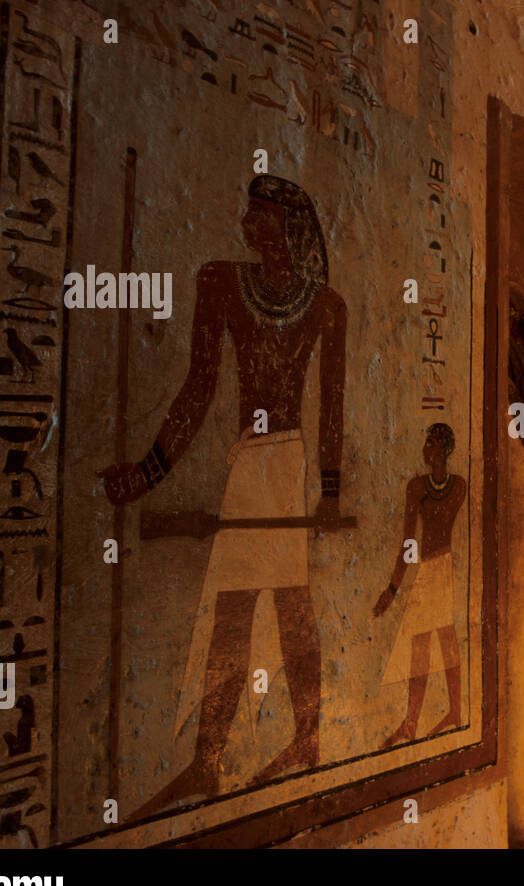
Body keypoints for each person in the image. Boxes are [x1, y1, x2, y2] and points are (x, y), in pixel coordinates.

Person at [98, 175, 348, 818]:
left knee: (289, 608)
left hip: (287, 462)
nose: (245, 222)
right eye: (246, 210)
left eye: (258, 213)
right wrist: (149, 472)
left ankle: (305, 740)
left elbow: (333, 411)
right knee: (235, 614)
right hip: (248, 464)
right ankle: (212, 762)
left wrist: (326, 492)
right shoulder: (220, 281)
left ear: (289, 226)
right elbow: (200, 386)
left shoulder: (327, 306)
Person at [371, 423, 467, 746]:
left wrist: (392, 591)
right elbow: (408, 543)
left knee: (431, 641)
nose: (424, 450)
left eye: (429, 443)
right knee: (435, 639)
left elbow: (409, 543)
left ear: (441, 448)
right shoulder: (426, 488)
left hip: (437, 570)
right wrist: (394, 589)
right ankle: (436, 715)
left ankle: (432, 717)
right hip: (434, 569)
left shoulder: (449, 487)